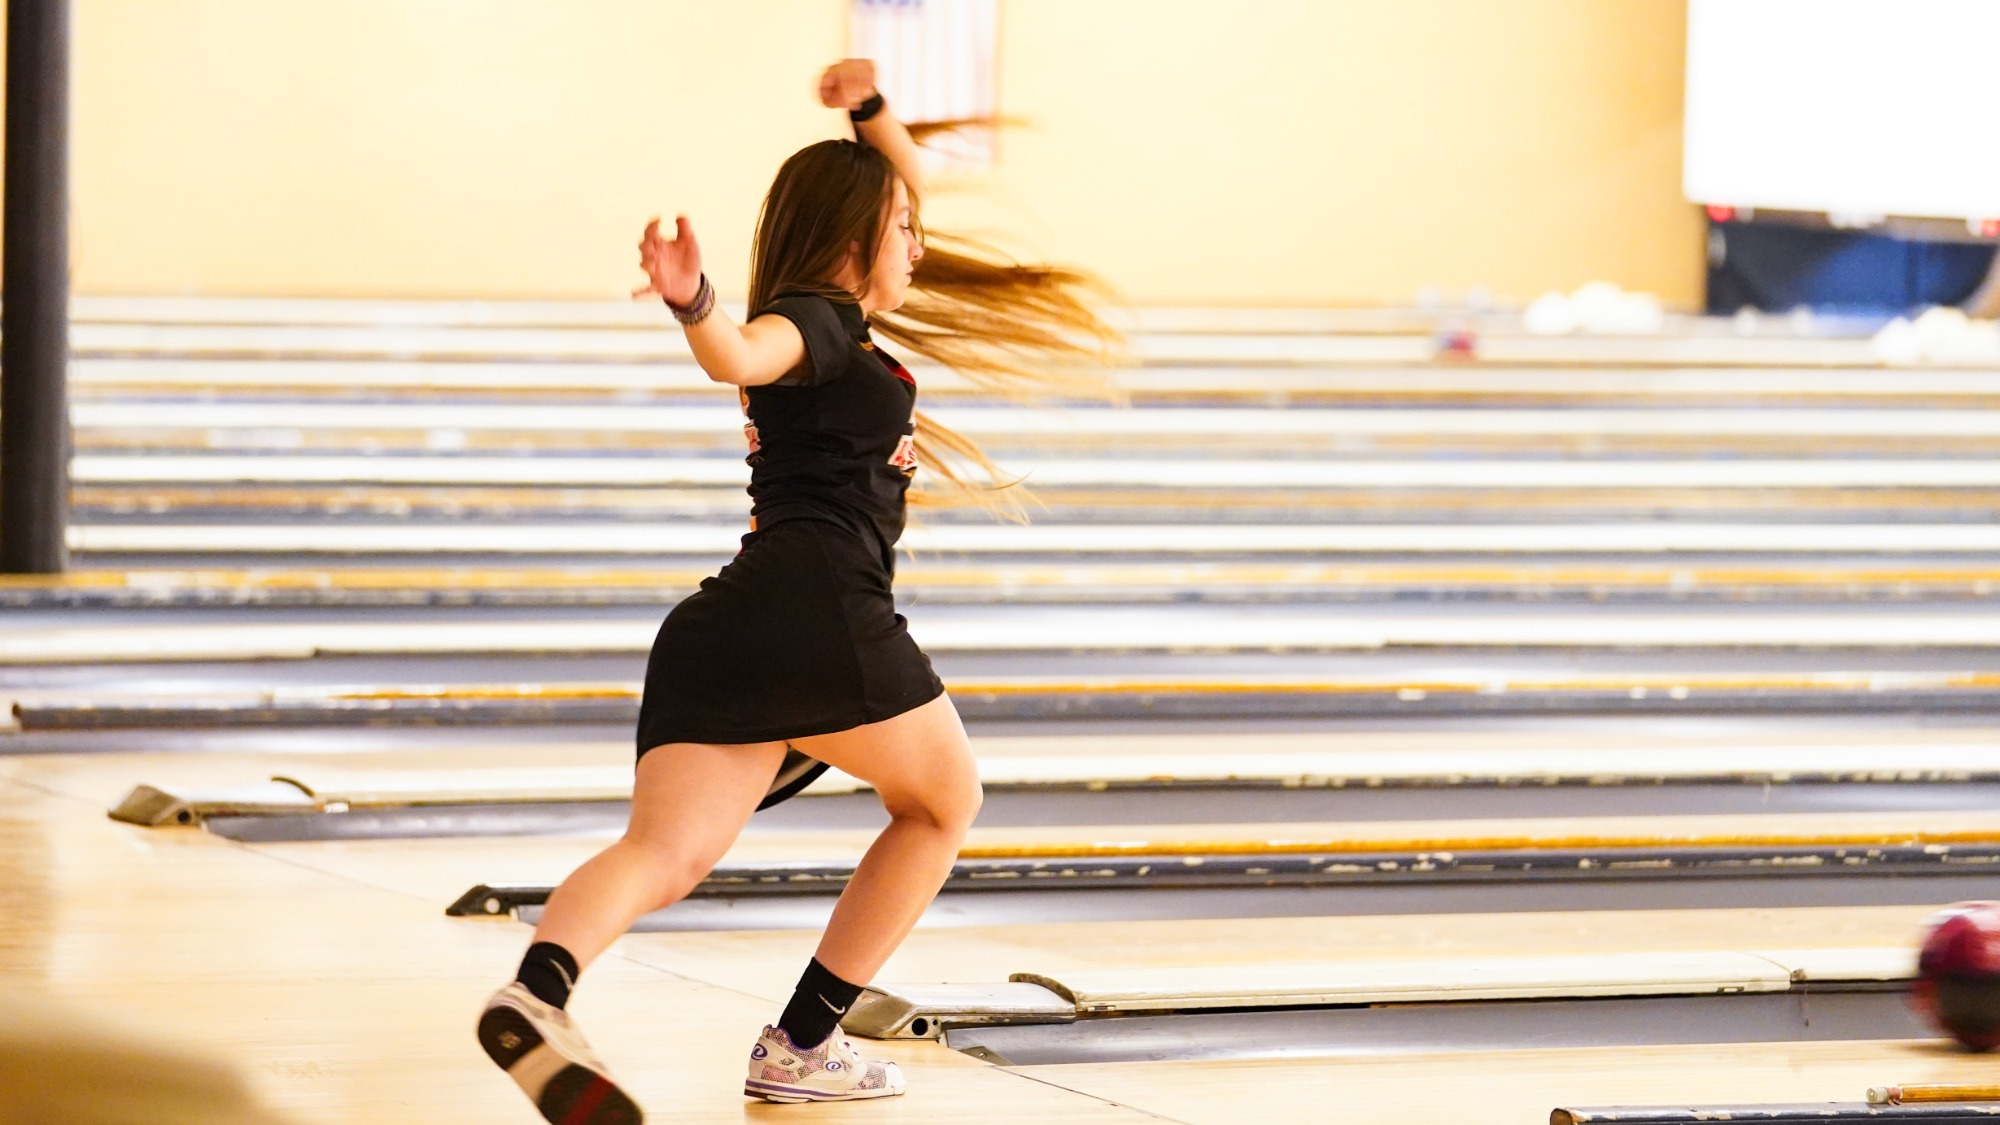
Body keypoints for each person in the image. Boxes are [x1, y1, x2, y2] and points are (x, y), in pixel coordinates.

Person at [476, 59, 1119, 1123]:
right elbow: (736, 349)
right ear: (854, 234)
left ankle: (536, 994)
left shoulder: (838, 317)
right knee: (942, 803)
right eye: (902, 229)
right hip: (822, 604)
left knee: (662, 854)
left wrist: (868, 113)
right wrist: (693, 300)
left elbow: (898, 180)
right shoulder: (813, 322)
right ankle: (803, 1043)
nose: (918, 244)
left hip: (726, 625)